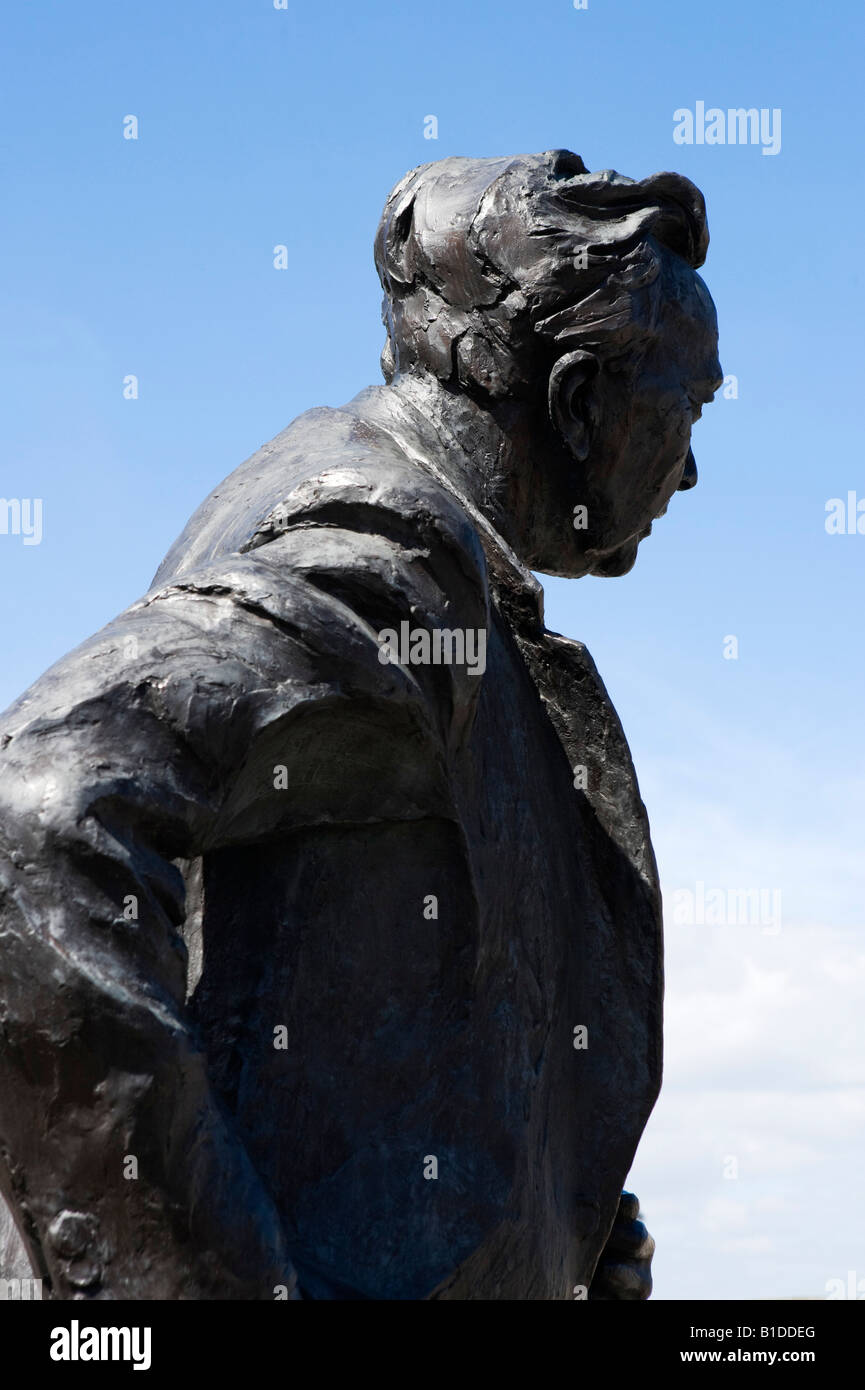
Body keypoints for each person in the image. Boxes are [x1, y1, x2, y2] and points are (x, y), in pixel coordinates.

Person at [0, 149, 722, 1300]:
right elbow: (38, 825)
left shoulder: (425, 564)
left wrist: (556, 1224)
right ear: (580, 401)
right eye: (684, 409)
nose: (690, 475)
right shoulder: (395, 554)